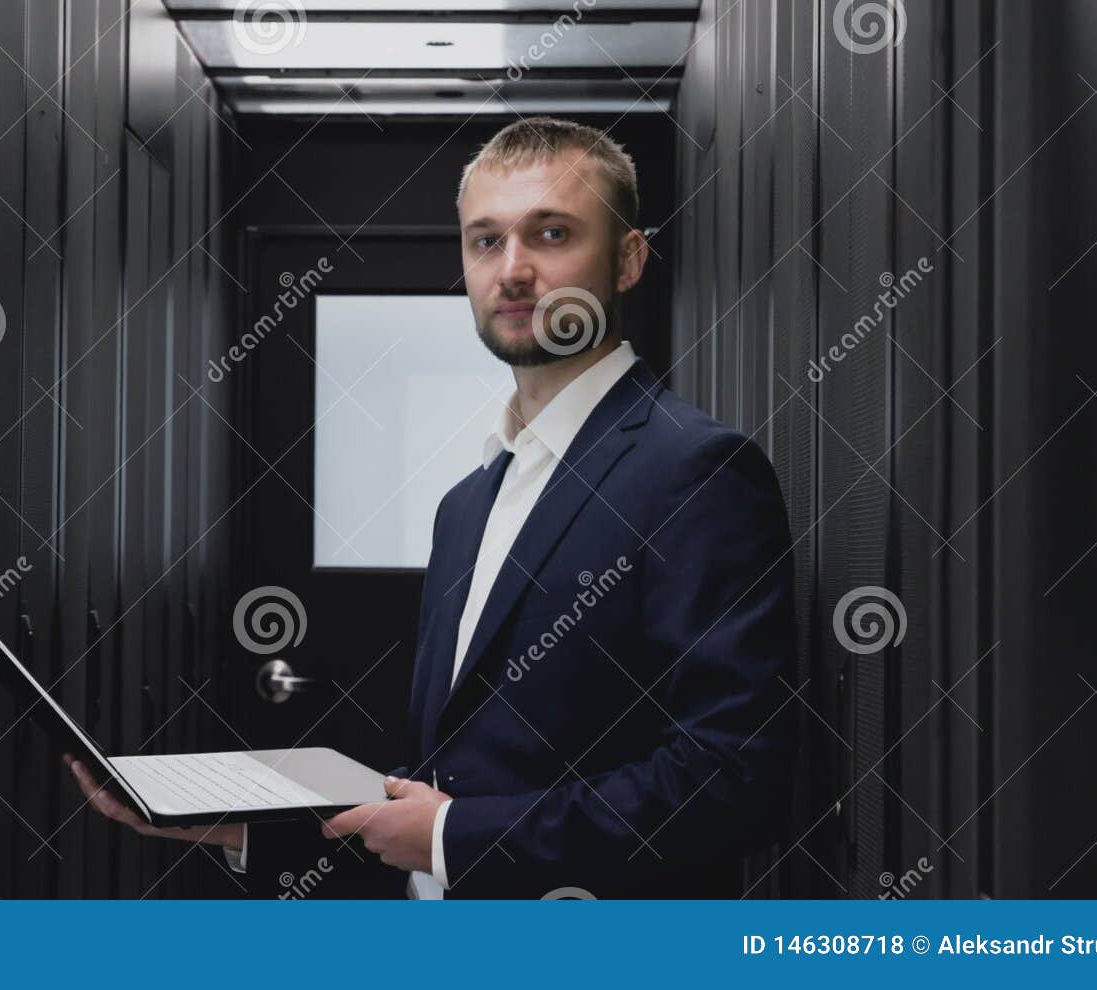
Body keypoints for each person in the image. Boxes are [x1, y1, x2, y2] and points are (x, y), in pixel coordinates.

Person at [67, 116, 796, 898]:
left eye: (551, 234)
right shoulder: (468, 505)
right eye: (486, 240)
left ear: (628, 258)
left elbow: (734, 779)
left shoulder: (696, 472)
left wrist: (454, 836)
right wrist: (242, 828)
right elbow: (438, 797)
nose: (513, 270)